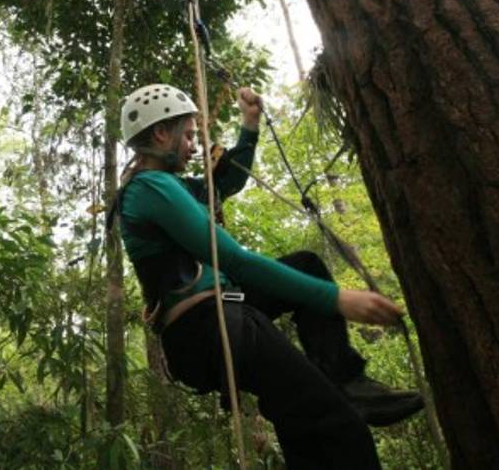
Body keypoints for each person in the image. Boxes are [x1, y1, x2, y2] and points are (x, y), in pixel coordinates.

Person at [111, 83, 424, 469]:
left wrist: (250, 124)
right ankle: (345, 394)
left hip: (215, 320)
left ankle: (347, 381)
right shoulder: (150, 188)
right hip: (209, 326)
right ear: (161, 133)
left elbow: (225, 182)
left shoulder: (168, 188)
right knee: (340, 429)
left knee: (308, 424)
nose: (193, 146)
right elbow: (232, 259)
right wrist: (335, 298)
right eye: (189, 134)